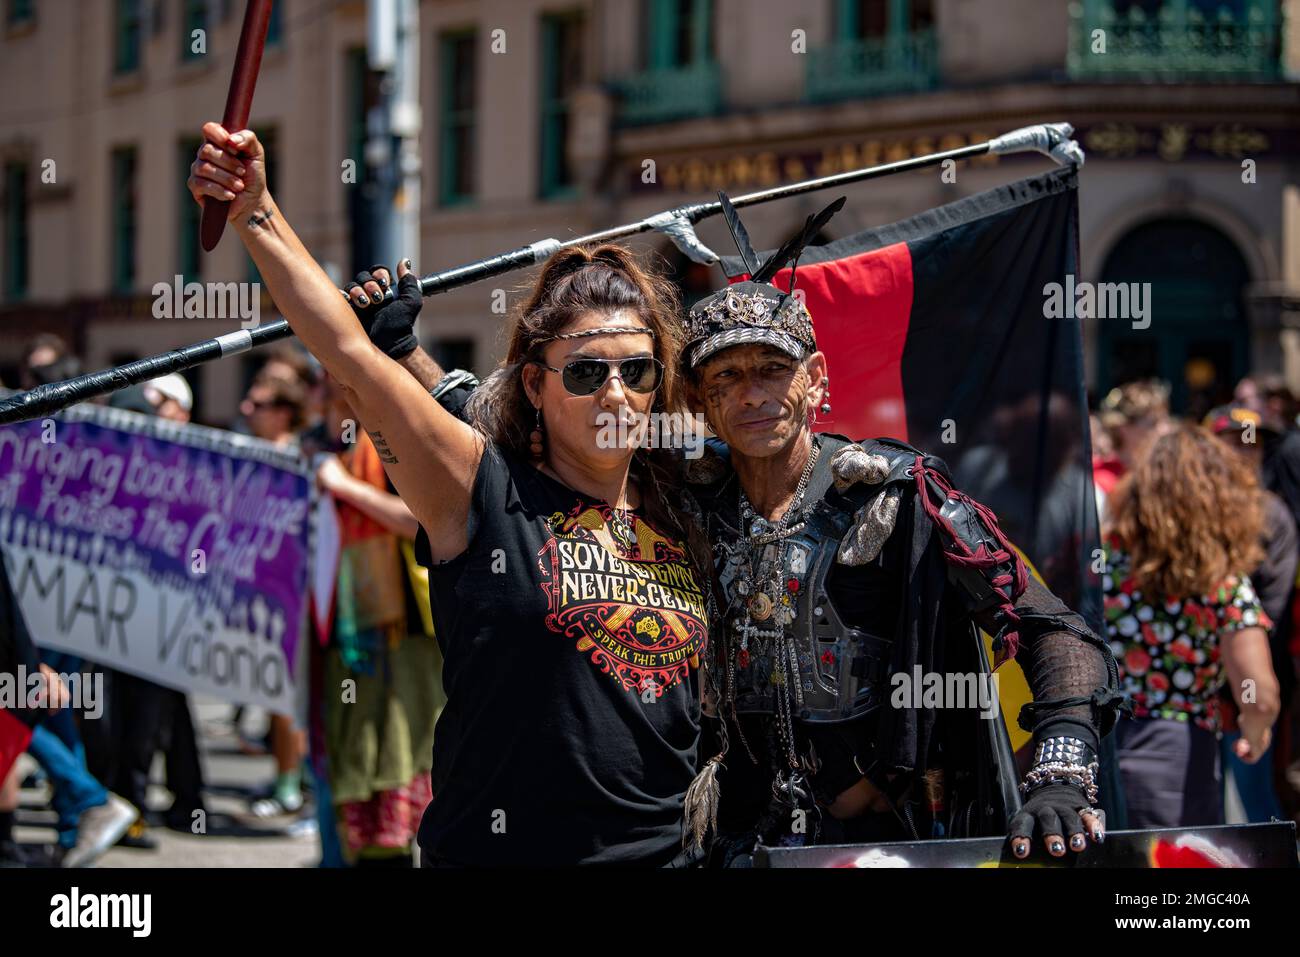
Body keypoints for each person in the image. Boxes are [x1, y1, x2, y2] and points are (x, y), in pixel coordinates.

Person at [188, 122, 712, 866]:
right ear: (536, 383)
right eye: (588, 372)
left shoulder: (682, 505)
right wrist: (256, 210)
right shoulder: (484, 491)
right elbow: (347, 354)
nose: (618, 393)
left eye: (639, 370)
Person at [1103, 423, 1281, 827]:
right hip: (1179, 764)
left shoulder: (1101, 567)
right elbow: (1259, 695)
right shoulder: (1221, 582)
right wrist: (1255, 734)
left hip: (1096, 754)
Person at [305, 367, 444, 866]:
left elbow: (425, 524)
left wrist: (345, 488)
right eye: (319, 380)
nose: (323, 392)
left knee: (401, 761)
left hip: (401, 631)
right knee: (353, 760)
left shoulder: (396, 438)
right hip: (340, 634)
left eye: (331, 377)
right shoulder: (322, 446)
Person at [1204, 405, 1297, 822]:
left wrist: (1240, 679)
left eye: (1254, 445)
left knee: (1251, 800)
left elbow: (1270, 607)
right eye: (1237, 442)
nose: (1247, 452)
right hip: (1183, 683)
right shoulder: (1184, 509)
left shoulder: (1271, 513)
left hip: (1245, 679)